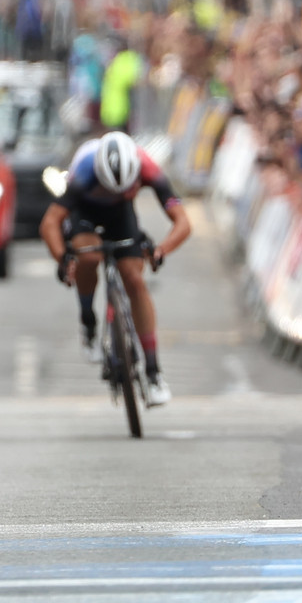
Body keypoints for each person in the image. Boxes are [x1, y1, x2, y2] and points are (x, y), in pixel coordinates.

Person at [38, 131, 191, 406]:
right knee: (90, 256)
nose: (112, 191)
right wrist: (63, 258)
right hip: (85, 213)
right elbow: (50, 223)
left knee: (135, 279)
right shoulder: (84, 171)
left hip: (122, 215)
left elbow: (182, 223)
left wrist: (160, 250)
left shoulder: (148, 167)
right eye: (108, 187)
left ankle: (154, 373)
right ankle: (88, 322)